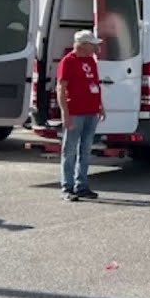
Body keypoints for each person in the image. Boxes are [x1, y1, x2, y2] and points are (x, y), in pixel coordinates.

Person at [57, 30, 107, 201]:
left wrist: (100, 105)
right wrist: (65, 113)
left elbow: (95, 84)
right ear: (83, 45)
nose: (95, 47)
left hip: (91, 111)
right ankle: (67, 187)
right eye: (92, 44)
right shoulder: (68, 62)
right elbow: (61, 88)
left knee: (85, 151)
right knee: (69, 150)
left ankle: (82, 185)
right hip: (75, 112)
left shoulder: (91, 61)